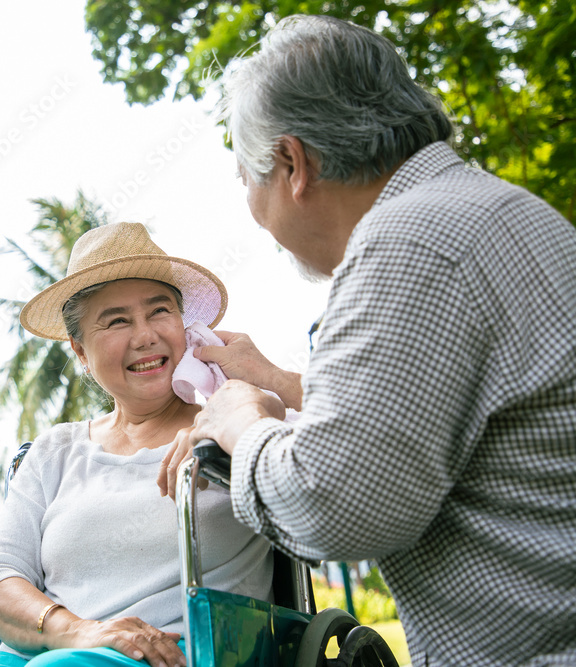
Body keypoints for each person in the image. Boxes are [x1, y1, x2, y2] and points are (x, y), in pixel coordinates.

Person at [159, 14, 576, 667]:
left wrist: (242, 421)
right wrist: (280, 381)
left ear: (293, 162)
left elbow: (333, 506)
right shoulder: (496, 213)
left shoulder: (410, 244)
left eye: (247, 177)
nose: (254, 210)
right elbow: (447, 410)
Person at [0, 222, 274, 667]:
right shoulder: (55, 451)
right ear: (81, 352)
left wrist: (235, 411)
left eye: (160, 312)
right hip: (48, 652)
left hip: (178, 656)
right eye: (117, 321)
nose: (145, 335)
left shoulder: (238, 422)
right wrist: (76, 630)